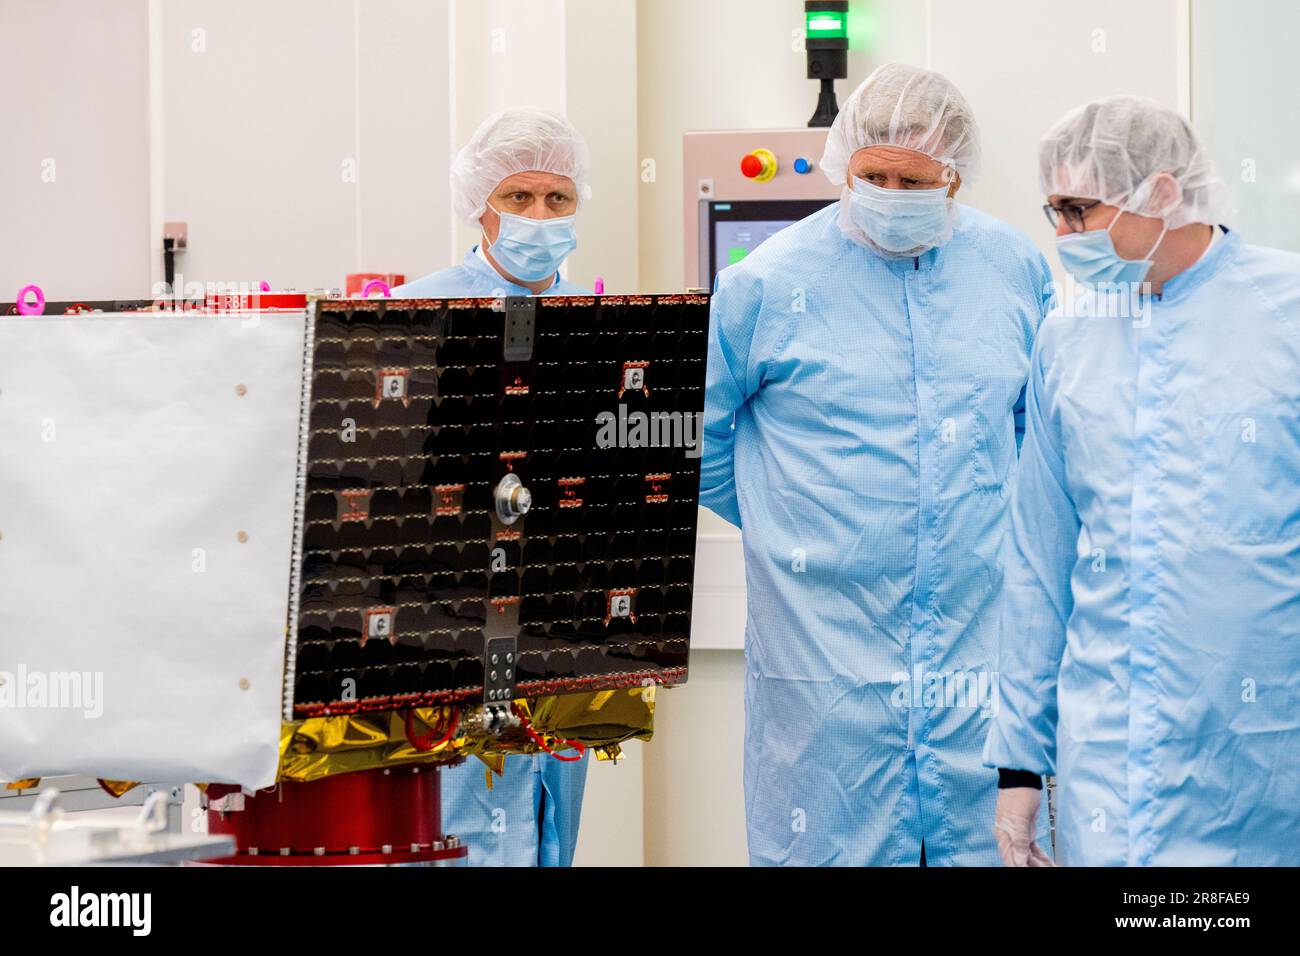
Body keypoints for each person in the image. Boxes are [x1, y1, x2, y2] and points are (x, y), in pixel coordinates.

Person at [701, 63, 1053, 866]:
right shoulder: (767, 283)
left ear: (955, 173)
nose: (891, 194)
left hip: (979, 644)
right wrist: (793, 526)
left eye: (914, 180)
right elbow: (699, 436)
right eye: (873, 176)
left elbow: (1039, 437)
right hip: (824, 655)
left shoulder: (1014, 271)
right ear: (843, 164)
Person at [985, 95, 1300, 866]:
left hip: (1264, 757)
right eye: (1052, 211)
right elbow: (1038, 561)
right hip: (1108, 766)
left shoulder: (1287, 314)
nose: (1061, 235)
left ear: (1162, 191)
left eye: (1078, 210)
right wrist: (1019, 768)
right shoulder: (1069, 338)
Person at [392, 107, 591, 866]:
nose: (540, 217)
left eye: (558, 199)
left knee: (549, 828)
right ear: (478, 202)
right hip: (444, 632)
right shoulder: (412, 314)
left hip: (560, 631)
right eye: (519, 198)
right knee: (456, 830)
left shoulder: (603, 323)